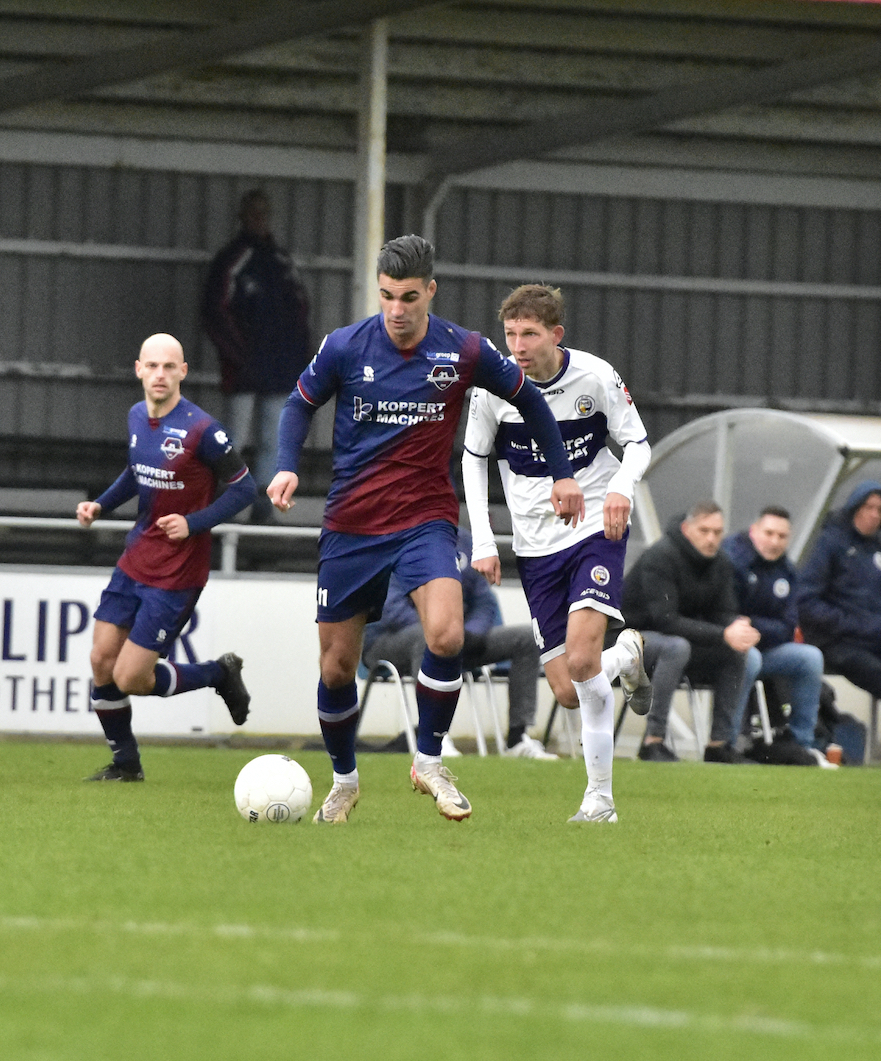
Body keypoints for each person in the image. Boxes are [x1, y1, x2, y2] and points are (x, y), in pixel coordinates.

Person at [268, 235, 581, 824]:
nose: (397, 310)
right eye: (386, 296)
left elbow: (531, 401)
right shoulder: (343, 346)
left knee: (446, 635)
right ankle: (344, 780)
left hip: (425, 519)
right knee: (336, 668)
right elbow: (297, 404)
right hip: (352, 526)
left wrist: (563, 476)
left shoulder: (461, 350)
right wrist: (286, 464)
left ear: (430, 291)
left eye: (409, 297)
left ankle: (430, 760)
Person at [463, 283, 653, 822]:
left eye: (530, 334)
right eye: (510, 334)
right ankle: (629, 657)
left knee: (583, 659)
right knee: (570, 690)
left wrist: (621, 488)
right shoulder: (493, 389)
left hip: (595, 527)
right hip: (535, 545)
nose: (518, 345)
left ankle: (600, 801)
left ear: (556, 334)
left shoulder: (595, 376)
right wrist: (483, 538)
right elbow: (474, 461)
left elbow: (637, 442)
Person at [75, 333, 255, 782]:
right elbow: (138, 472)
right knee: (101, 661)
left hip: (177, 571)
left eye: (168, 367)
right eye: (152, 366)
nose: (159, 375)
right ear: (138, 369)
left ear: (183, 372)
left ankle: (218, 673)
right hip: (136, 558)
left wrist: (194, 523)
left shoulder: (203, 430)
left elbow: (245, 489)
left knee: (131, 677)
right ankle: (126, 764)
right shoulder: (137, 416)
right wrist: (101, 504)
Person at [362, 533, 554, 760]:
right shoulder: (396, 538)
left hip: (456, 637)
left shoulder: (462, 541)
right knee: (426, 641)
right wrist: (441, 631)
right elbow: (390, 606)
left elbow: (484, 601)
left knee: (525, 638)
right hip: (389, 640)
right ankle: (435, 738)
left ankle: (517, 738)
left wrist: (469, 633)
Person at [621, 502, 762, 765]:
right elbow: (664, 620)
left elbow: (723, 611)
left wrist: (737, 626)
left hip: (677, 640)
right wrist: (723, 634)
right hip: (628, 640)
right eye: (704, 530)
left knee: (737, 653)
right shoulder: (661, 555)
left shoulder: (720, 563)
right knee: (676, 647)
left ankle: (718, 745)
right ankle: (653, 742)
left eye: (717, 532)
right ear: (687, 529)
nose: (711, 539)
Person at [202, 189, 311, 523]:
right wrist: (239, 356)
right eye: (253, 213)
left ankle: (263, 514)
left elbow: (302, 308)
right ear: (242, 216)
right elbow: (213, 313)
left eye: (264, 213)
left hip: (279, 372)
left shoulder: (281, 260)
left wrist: (299, 359)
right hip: (244, 373)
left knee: (271, 443)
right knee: (230, 442)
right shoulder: (231, 260)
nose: (259, 219)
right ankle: (225, 510)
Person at [796, 482, 881, 733]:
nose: (874, 515)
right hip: (837, 643)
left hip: (875, 641)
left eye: (880, 510)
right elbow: (806, 603)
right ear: (854, 508)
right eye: (868, 507)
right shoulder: (829, 544)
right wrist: (851, 624)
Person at [723, 506, 830, 766]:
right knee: (751, 659)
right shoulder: (732, 559)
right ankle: (729, 741)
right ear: (754, 531)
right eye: (768, 533)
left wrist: (754, 627)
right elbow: (727, 614)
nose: (774, 541)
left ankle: (801, 742)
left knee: (810, 657)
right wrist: (749, 628)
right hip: (729, 648)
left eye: (782, 536)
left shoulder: (787, 571)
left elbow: (788, 626)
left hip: (764, 645)